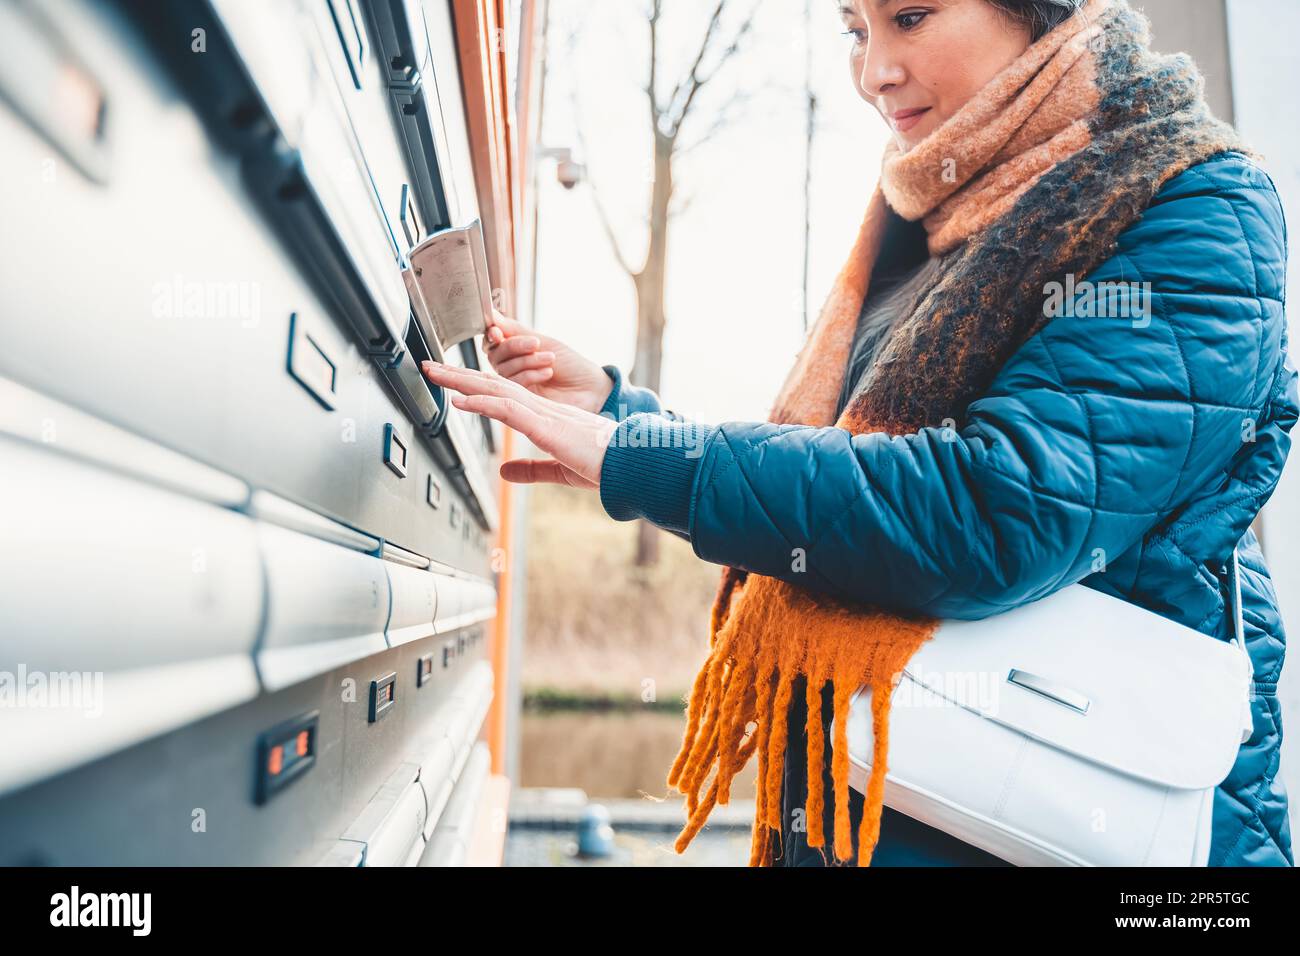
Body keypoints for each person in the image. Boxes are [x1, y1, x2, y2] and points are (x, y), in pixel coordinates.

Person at [423, 0, 1295, 866]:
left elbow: (995, 510)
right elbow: (856, 476)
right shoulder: (935, 221)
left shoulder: (1196, 203)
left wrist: (657, 468)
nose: (873, 70)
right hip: (888, 806)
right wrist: (623, 422)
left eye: (909, 17)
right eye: (854, 30)